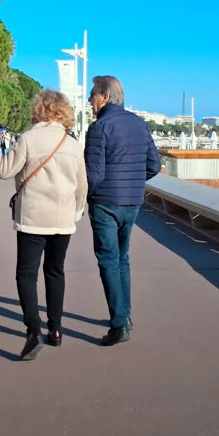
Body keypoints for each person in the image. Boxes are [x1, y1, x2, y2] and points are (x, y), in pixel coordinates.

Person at [0, 89, 86, 360]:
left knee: (27, 273)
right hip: (63, 219)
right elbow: (82, 186)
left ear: (38, 109)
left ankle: (33, 330)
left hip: (33, 218)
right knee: (55, 271)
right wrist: (76, 212)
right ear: (64, 112)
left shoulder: (28, 139)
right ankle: (57, 330)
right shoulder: (72, 144)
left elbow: (4, 170)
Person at [84, 75, 161, 346]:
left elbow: (93, 175)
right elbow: (154, 165)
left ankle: (119, 324)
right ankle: (125, 315)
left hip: (105, 203)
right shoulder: (139, 124)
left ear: (104, 97)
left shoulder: (99, 127)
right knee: (122, 259)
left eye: (92, 93)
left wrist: (82, 196)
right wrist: (132, 183)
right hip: (133, 202)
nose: (89, 99)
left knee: (108, 260)